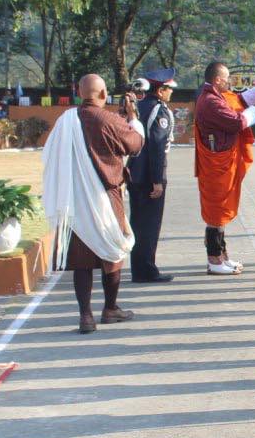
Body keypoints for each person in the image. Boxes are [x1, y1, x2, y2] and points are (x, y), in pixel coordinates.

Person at [42, 74, 144, 334]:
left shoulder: (64, 121)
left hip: (73, 198)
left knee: (82, 261)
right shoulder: (107, 119)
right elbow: (135, 143)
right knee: (114, 252)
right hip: (104, 197)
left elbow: (50, 155)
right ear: (102, 94)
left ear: (79, 93)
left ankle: (85, 316)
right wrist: (132, 119)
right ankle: (110, 308)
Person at [194, 61, 255, 275]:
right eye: (226, 79)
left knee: (221, 210)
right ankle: (214, 260)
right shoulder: (211, 102)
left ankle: (222, 256)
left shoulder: (217, 97)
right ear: (217, 80)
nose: (229, 83)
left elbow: (237, 102)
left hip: (221, 161)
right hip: (216, 165)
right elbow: (236, 122)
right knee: (217, 211)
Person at [127, 68, 177, 283]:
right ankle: (147, 270)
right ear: (160, 90)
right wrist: (157, 180)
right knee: (149, 224)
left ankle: (139, 268)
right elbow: (156, 147)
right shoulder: (159, 110)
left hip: (135, 172)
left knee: (138, 222)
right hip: (149, 175)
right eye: (169, 89)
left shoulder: (139, 106)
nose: (171, 93)